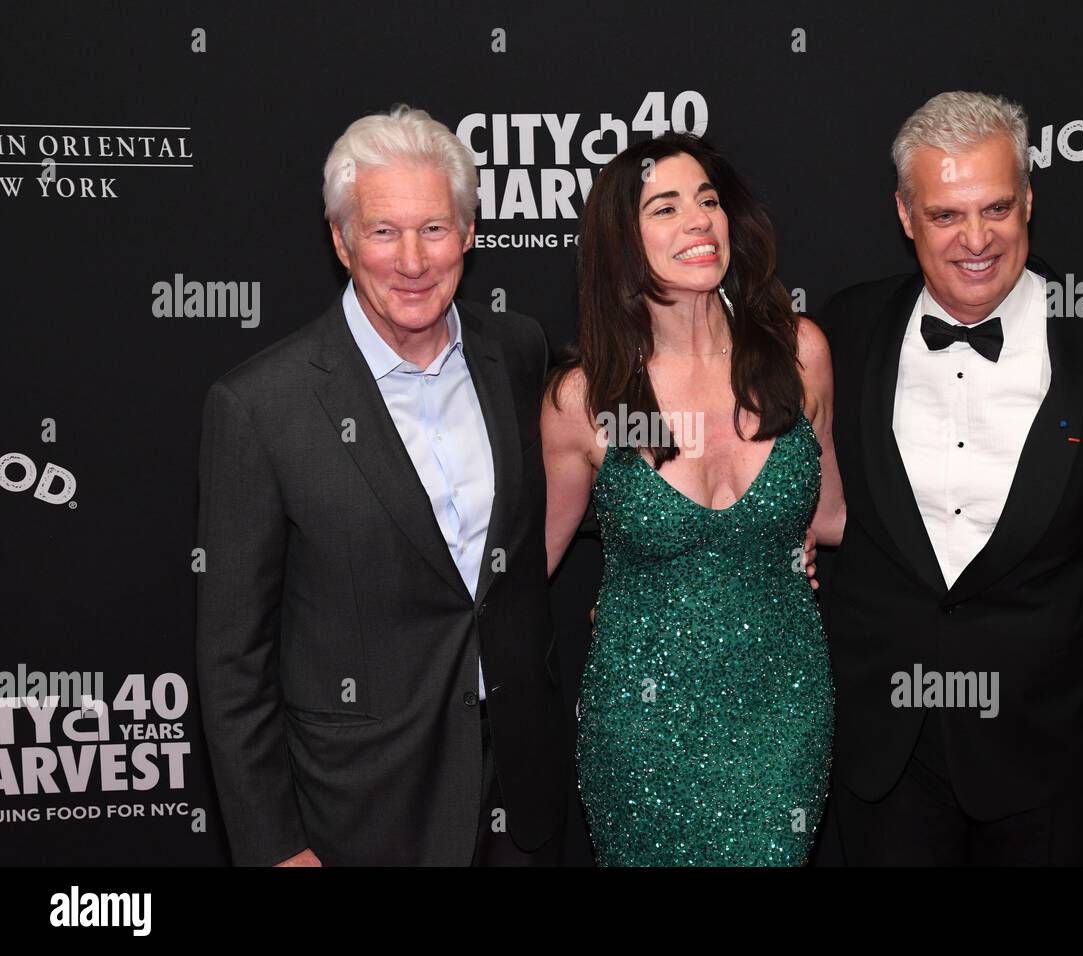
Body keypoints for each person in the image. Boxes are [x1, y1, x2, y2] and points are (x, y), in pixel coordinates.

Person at [818, 91, 1083, 865]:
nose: (976, 239)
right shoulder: (841, 331)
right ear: (904, 214)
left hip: (1047, 750)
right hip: (883, 750)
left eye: (997, 207)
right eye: (944, 215)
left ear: (1029, 197)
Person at [195, 104, 567, 866]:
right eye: (383, 231)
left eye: (434, 228)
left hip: (520, 798)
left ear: (469, 233)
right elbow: (234, 660)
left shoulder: (519, 351)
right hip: (359, 813)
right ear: (340, 240)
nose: (413, 261)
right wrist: (274, 847)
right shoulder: (261, 406)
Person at [542, 132, 845, 865]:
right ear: (621, 239)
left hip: (783, 707)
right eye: (666, 207)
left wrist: (791, 542)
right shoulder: (587, 399)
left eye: (708, 202)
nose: (699, 222)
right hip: (643, 725)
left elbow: (830, 517)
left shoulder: (800, 354)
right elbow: (528, 564)